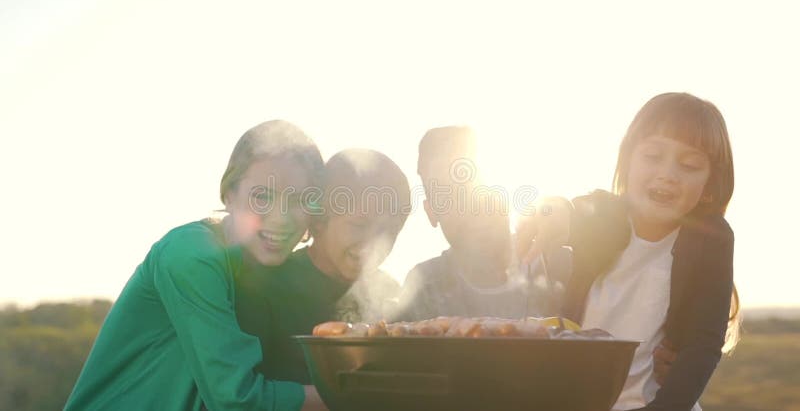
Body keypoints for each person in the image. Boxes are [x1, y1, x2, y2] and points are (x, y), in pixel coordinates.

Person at [65, 120, 328, 411]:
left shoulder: (264, 273)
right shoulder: (191, 255)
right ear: (229, 194)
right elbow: (236, 399)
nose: (280, 218)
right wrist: (352, 397)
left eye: (298, 200)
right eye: (263, 196)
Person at [517, 92, 740, 411]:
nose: (668, 173)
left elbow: (702, 344)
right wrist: (551, 212)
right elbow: (570, 212)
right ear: (627, 160)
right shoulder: (606, 215)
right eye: (652, 156)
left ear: (710, 184)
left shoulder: (709, 239)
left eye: (689, 164)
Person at [235, 148, 411, 384]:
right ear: (318, 221)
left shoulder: (389, 293)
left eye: (389, 230)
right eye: (360, 224)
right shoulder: (265, 287)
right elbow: (238, 392)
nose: (374, 243)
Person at [394, 126, 570, 322]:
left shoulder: (558, 263)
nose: (473, 208)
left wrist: (570, 213)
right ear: (431, 212)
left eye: (479, 187)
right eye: (451, 197)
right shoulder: (425, 287)